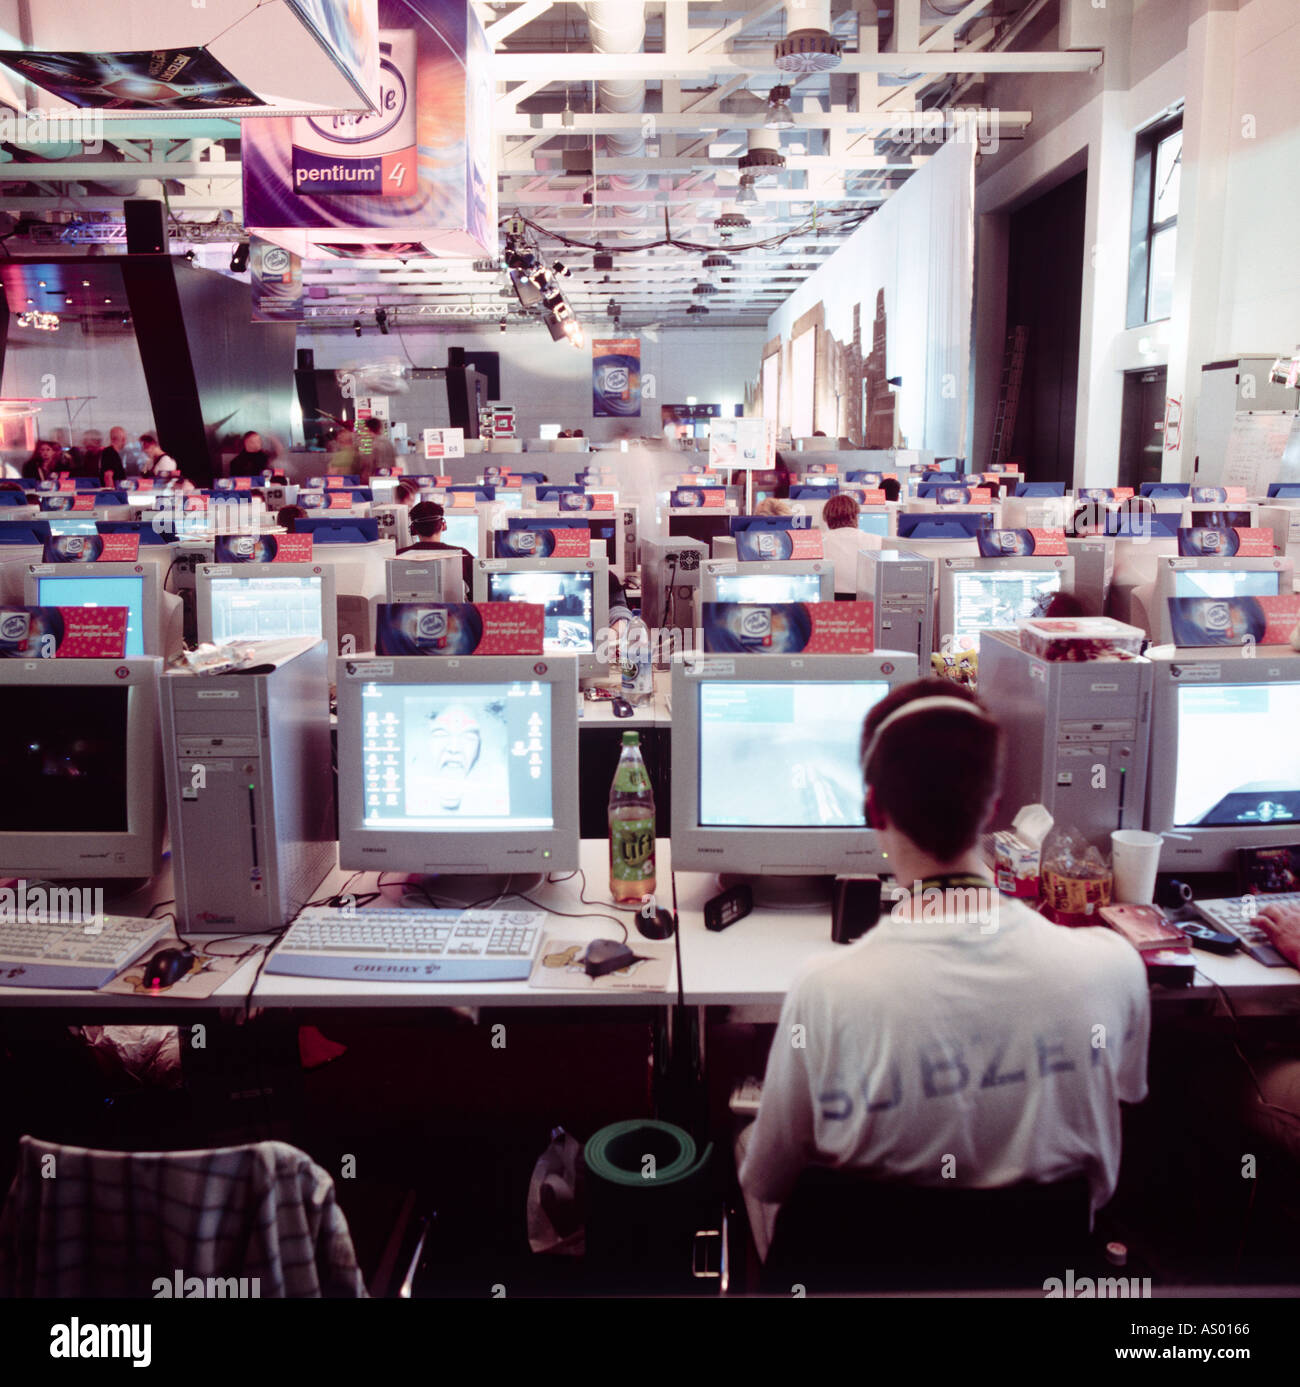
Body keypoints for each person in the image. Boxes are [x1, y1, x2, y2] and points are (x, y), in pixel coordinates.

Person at [737, 678, 1150, 1263]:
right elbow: (1118, 1125)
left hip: (863, 1279)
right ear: (997, 806)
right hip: (1038, 1269)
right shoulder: (1114, 968)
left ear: (873, 808)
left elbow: (769, 1181)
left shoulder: (825, 990)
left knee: (750, 1141)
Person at [398, 500, 474, 593]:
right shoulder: (462, 555)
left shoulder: (397, 556)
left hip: (406, 607)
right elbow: (476, 594)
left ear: (413, 529)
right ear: (443, 525)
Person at [819, 492, 879, 597]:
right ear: (856, 516)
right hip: (868, 605)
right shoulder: (878, 540)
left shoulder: (817, 542)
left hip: (829, 604)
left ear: (826, 518)